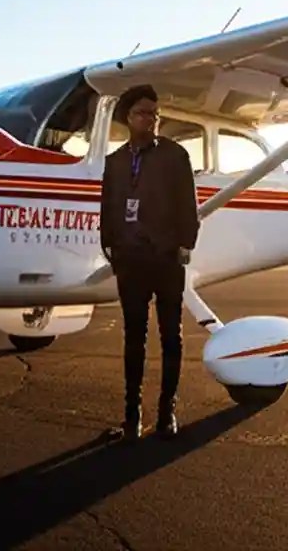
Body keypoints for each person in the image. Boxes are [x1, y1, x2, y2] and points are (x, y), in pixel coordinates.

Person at [99, 84, 200, 442]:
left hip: (166, 257)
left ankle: (167, 411)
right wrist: (108, 243)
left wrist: (185, 244)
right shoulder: (115, 162)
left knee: (171, 336)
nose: (152, 119)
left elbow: (188, 204)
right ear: (128, 117)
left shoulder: (175, 155)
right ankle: (132, 416)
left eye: (156, 114)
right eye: (144, 113)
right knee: (134, 338)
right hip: (130, 259)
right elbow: (109, 205)